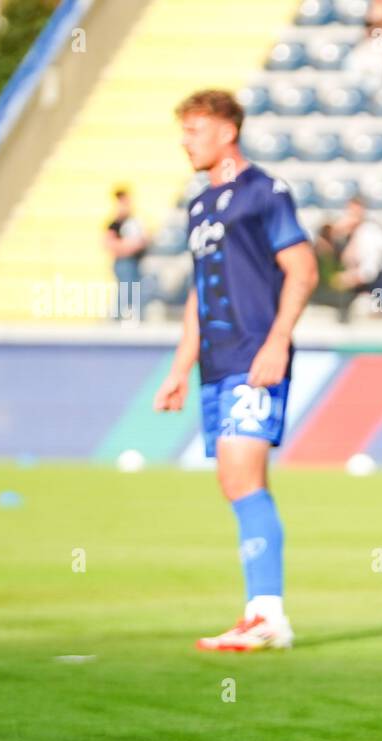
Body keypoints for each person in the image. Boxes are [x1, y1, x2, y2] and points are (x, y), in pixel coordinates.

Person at [151, 89, 317, 651]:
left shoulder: (263, 193)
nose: (185, 141)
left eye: (194, 129)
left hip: (254, 356)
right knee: (233, 480)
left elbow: (303, 269)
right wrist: (180, 367)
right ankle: (260, 612)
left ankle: (268, 615)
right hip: (217, 364)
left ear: (226, 131)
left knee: (243, 478)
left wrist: (277, 343)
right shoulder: (199, 205)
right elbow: (199, 294)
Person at [104, 188, 147, 322]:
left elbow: (143, 239)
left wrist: (132, 245)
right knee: (126, 290)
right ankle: (117, 318)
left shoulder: (133, 221)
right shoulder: (116, 223)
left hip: (134, 261)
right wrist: (127, 247)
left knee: (134, 290)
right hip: (123, 262)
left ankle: (133, 317)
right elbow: (108, 242)